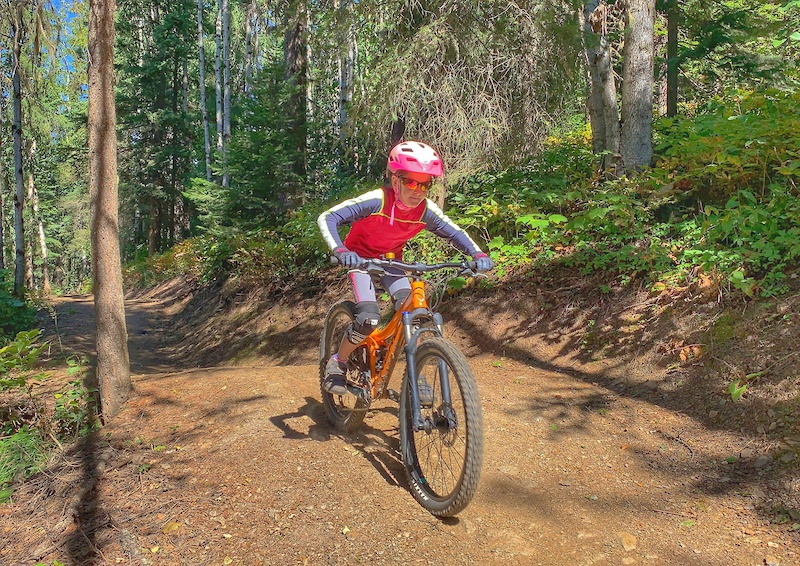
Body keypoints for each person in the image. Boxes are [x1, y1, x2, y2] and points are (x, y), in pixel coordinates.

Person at [317, 140, 494, 395]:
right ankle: (338, 362)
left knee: (416, 312)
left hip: (392, 262)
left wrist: (477, 253)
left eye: (425, 184)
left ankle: (417, 373)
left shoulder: (424, 210)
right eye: (411, 181)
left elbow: (455, 233)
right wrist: (341, 251)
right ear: (395, 180)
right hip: (361, 261)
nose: (418, 190)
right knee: (368, 317)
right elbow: (329, 217)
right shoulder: (377, 199)